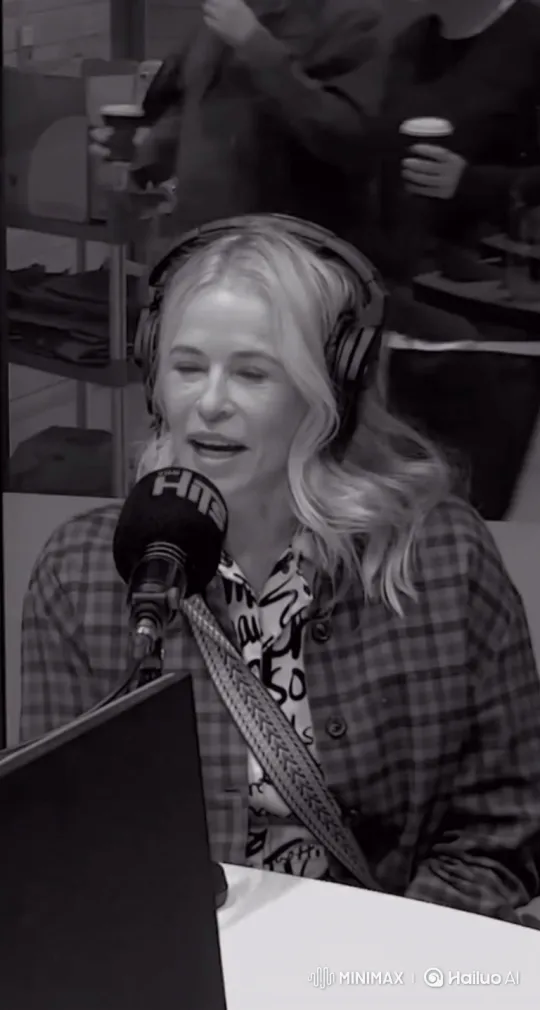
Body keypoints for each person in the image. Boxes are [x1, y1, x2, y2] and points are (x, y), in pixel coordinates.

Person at [20, 215, 540, 927]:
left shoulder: (443, 560)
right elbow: (64, 840)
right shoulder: (82, 572)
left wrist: (382, 969)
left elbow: (502, 832)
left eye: (253, 373)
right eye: (189, 365)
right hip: (180, 956)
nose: (210, 402)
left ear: (327, 390)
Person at [364, 0, 540, 522]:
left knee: (472, 510)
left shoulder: (529, 37)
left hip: (499, 319)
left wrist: (472, 184)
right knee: (400, 509)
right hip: (405, 310)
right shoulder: (411, 43)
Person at [91, 0, 382, 244]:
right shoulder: (221, 15)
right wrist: (143, 153)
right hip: (196, 247)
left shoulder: (351, 15)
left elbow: (349, 137)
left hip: (287, 260)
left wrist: (254, 44)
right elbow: (196, 107)